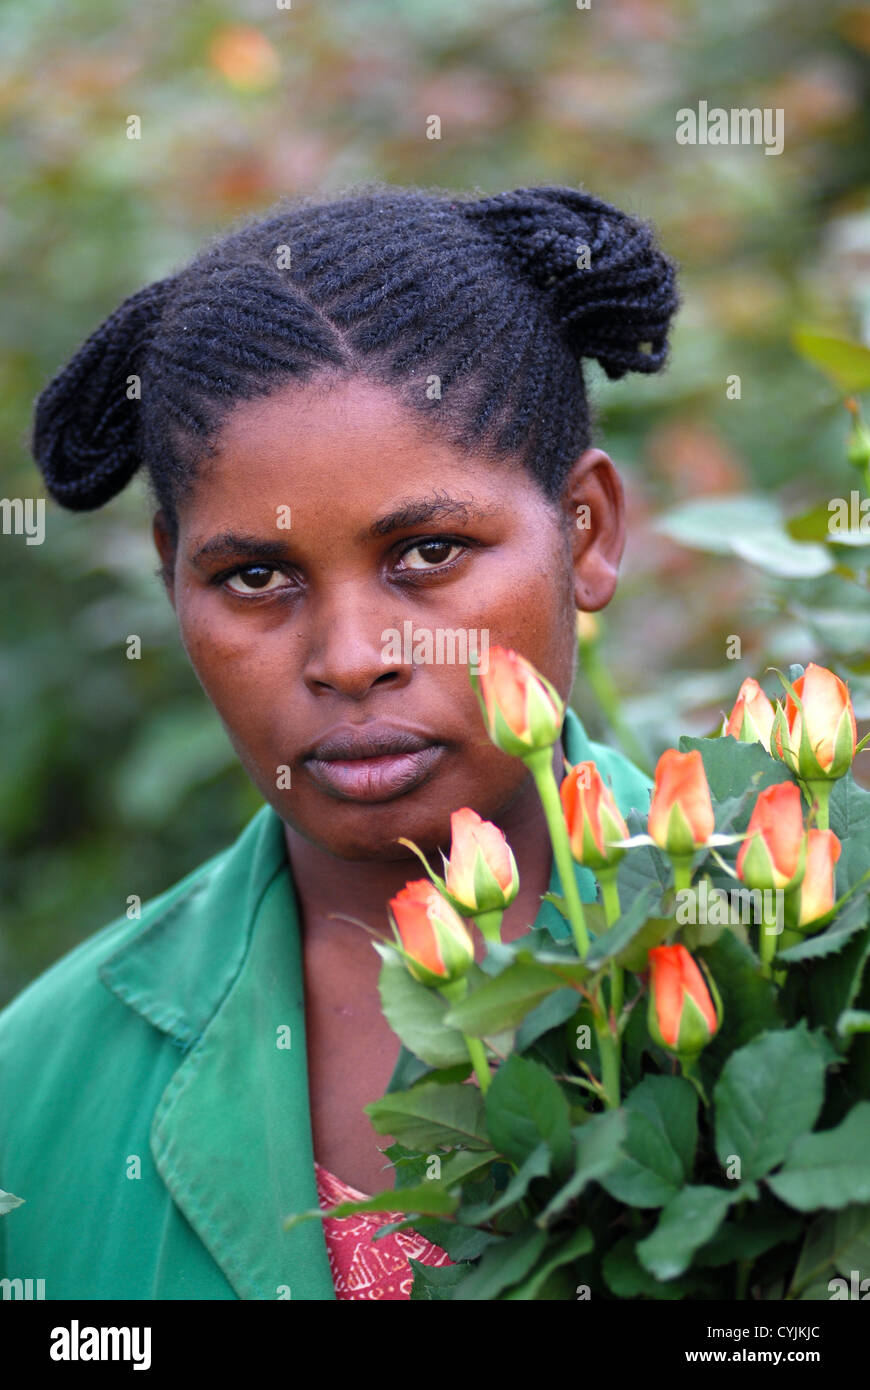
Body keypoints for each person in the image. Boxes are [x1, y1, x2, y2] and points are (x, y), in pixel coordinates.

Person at [0, 182, 679, 1300]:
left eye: (428, 552)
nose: (352, 656)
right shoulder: (40, 1086)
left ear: (586, 532)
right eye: (254, 577)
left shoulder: (797, 966)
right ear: (174, 575)